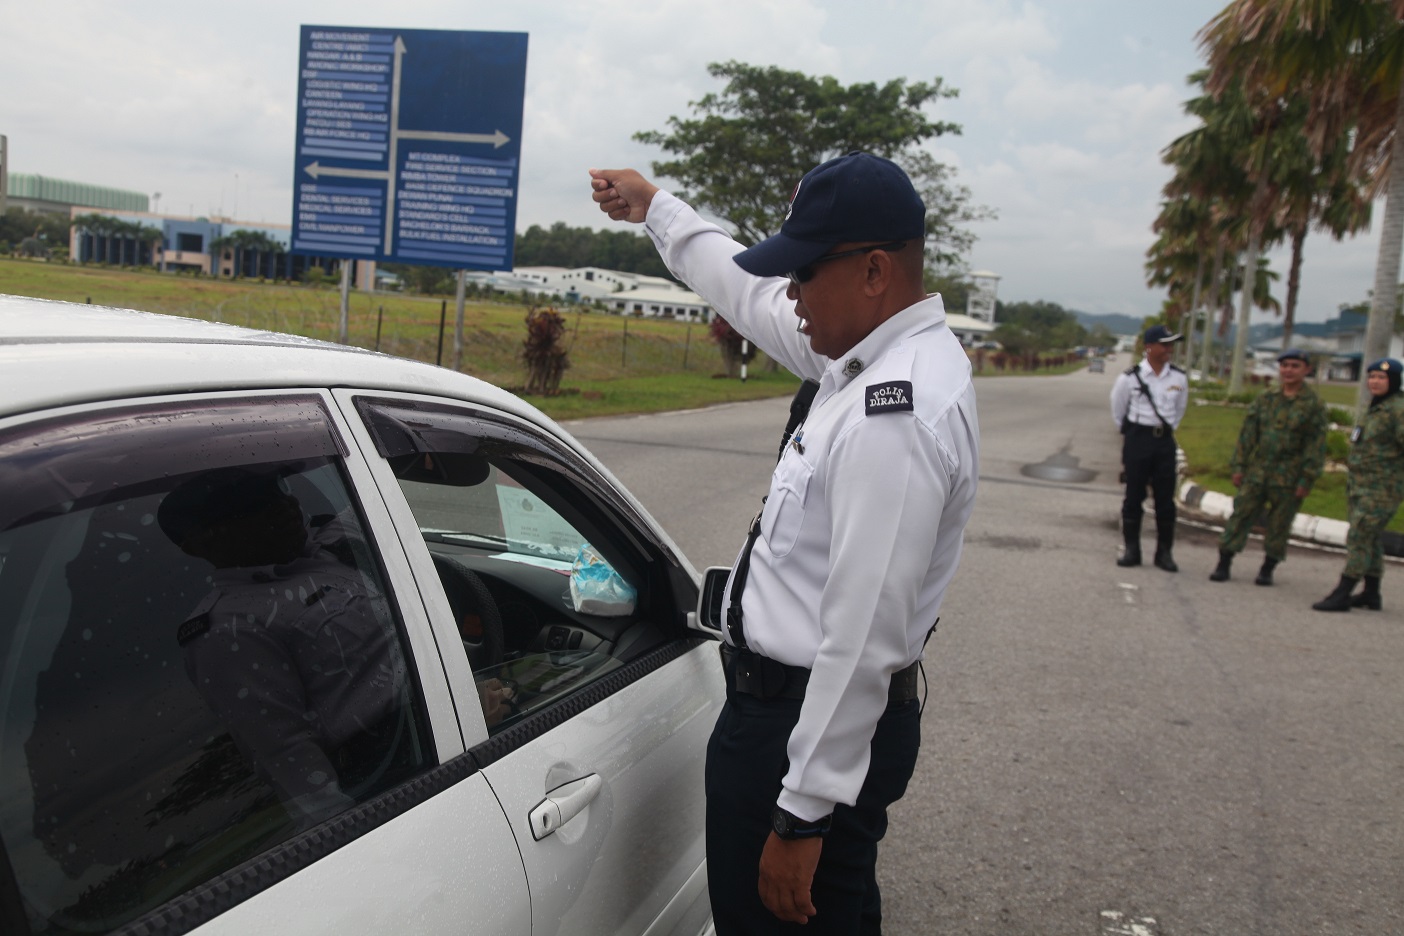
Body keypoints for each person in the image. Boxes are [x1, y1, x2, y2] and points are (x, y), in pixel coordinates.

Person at [591, 153, 979, 935]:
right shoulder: (860, 355)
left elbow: (864, 634)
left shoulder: (890, 415)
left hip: (800, 734)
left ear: (874, 272)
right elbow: (749, 289)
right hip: (796, 723)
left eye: (805, 272)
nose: (791, 294)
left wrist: (801, 815)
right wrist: (658, 208)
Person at [158, 465, 412, 828]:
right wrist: (349, 834)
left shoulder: (328, 544)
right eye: (251, 506)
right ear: (201, 543)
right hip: (397, 769)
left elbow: (382, 486)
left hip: (442, 716)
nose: (285, 505)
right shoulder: (229, 627)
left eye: (278, 489)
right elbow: (285, 752)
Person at [1209, 349, 1327, 585]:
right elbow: (1248, 435)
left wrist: (1307, 479)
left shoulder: (1313, 405)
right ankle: (1224, 562)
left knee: (1280, 524)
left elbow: (1315, 445)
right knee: (1241, 515)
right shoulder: (1266, 399)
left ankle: (1267, 568)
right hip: (1258, 471)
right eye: (1284, 366)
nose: (1289, 370)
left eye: (1295, 366)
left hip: (1289, 476)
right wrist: (1239, 466)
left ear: (1306, 370)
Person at [1312, 357, 1404, 612]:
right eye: (1372, 376)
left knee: (1359, 536)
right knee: (1369, 539)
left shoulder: (1398, 409)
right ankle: (1372, 593)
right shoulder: (1373, 406)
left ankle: (1343, 592)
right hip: (1360, 485)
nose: (1375, 382)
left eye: (1381, 378)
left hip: (1383, 488)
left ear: (1394, 381)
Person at [1109, 325, 1189, 571]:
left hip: (1163, 440)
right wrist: (1136, 435)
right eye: (1164, 344)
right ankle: (1132, 550)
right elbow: (1118, 411)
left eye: (1171, 345)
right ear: (1149, 347)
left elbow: (1178, 412)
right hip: (1138, 439)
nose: (1168, 349)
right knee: (1134, 495)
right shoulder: (1130, 377)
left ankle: (1164, 553)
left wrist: (1162, 432)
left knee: (1165, 499)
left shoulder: (1178, 378)